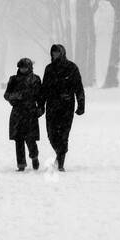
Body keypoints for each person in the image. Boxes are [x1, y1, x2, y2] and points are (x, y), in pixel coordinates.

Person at [39, 43, 84, 171]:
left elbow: (78, 87)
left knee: (63, 134)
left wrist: (81, 104)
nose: (55, 54)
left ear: (63, 53)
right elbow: (44, 88)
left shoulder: (72, 68)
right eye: (53, 52)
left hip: (66, 105)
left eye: (58, 52)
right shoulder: (49, 69)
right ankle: (60, 154)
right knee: (51, 134)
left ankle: (60, 163)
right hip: (52, 105)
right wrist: (41, 105)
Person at [4, 58, 43, 172]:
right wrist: (16, 96)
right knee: (18, 139)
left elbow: (40, 96)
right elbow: (7, 95)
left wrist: (40, 108)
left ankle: (34, 156)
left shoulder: (36, 79)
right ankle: (21, 164)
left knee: (30, 138)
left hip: (31, 112)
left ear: (30, 67)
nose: (23, 69)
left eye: (25, 67)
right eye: (21, 67)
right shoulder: (13, 79)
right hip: (17, 112)